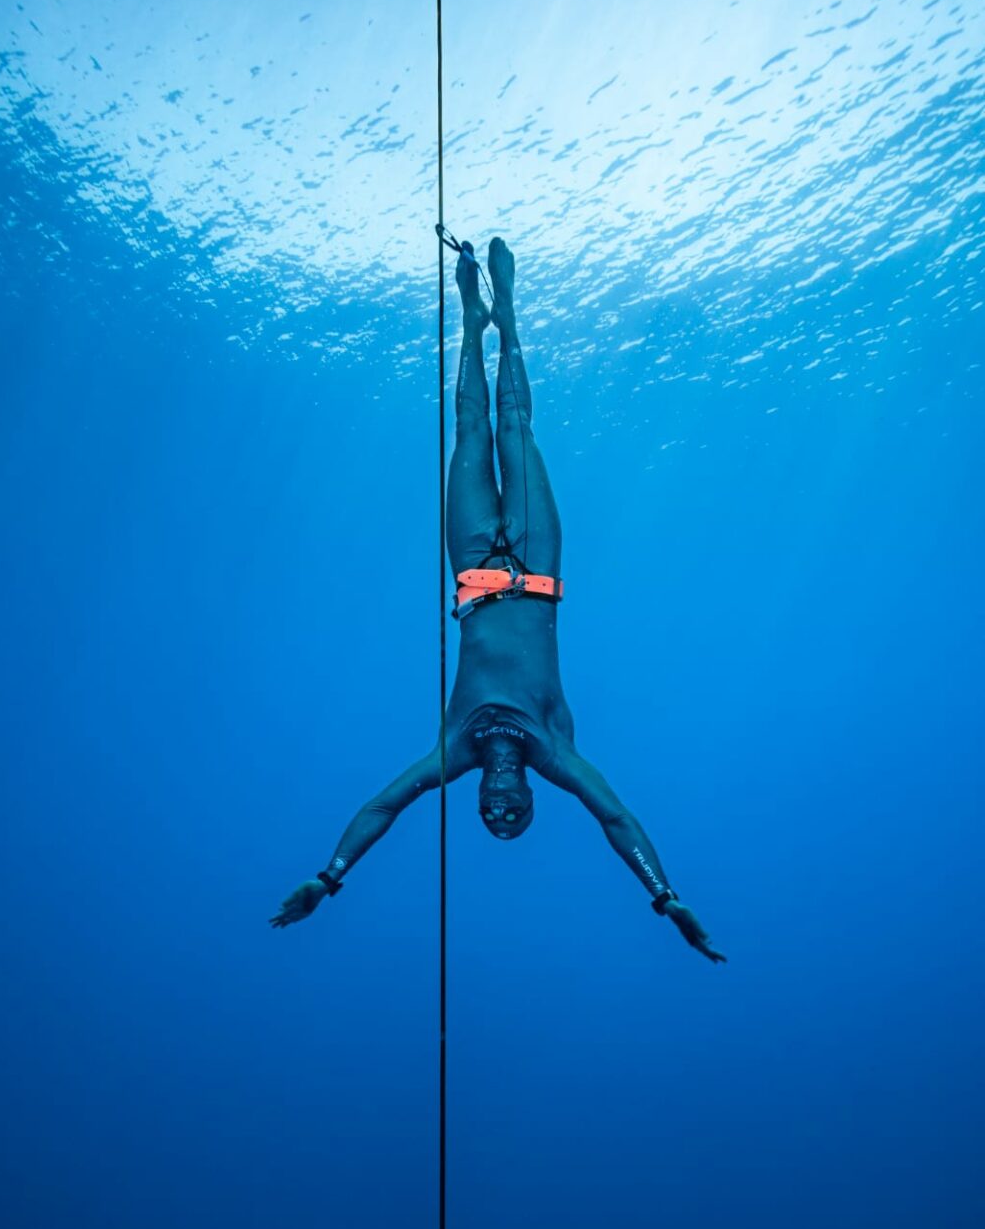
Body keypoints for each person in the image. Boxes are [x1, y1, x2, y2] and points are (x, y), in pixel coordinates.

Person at [271, 238, 725, 963]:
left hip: (475, 570)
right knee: (515, 425)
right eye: (515, 817)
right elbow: (614, 816)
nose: (501, 810)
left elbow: (384, 805)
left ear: (479, 799)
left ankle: (469, 311)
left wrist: (329, 878)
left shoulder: (455, 751)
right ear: (532, 798)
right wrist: (664, 898)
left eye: (492, 817)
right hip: (538, 565)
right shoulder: (552, 752)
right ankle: (507, 318)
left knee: (467, 431)